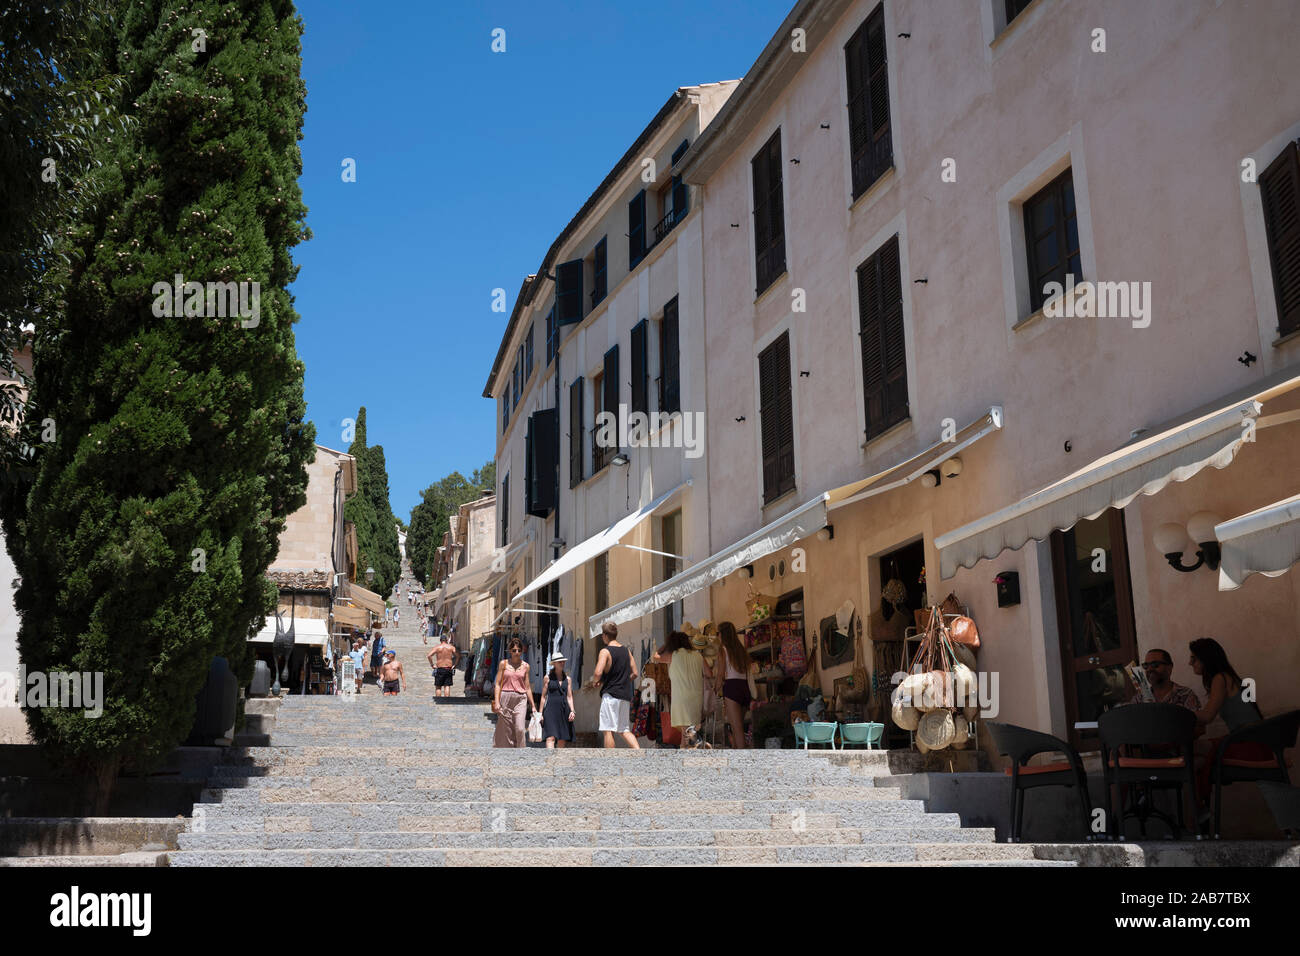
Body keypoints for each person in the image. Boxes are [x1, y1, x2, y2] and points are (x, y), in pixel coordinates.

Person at [1189, 637, 1268, 812]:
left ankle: (1197, 811)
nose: (1190, 663)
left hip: (1249, 746)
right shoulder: (1233, 677)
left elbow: (1208, 716)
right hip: (1258, 744)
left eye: (1193, 658)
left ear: (1206, 658)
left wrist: (1178, 713)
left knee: (1191, 754)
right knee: (1195, 759)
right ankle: (1198, 810)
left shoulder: (1220, 678)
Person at [587, 622, 639, 749]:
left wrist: (595, 682)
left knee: (607, 729)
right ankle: (640, 755)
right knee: (624, 730)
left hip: (611, 696)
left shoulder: (605, 651)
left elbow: (598, 672)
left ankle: (610, 760)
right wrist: (623, 681)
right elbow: (635, 673)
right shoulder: (626, 651)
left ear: (604, 635)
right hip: (624, 695)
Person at [660, 630, 709, 744]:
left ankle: (686, 753)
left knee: (685, 735)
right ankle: (692, 750)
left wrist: (666, 646)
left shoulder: (673, 656)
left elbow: (655, 656)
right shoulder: (698, 655)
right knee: (690, 732)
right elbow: (708, 673)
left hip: (680, 699)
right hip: (696, 698)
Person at [493, 637, 535, 748]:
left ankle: (520, 750)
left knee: (520, 728)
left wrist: (533, 705)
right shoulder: (504, 664)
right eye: (514, 650)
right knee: (506, 728)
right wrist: (497, 702)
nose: (517, 653)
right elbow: (497, 684)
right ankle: (507, 752)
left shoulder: (526, 666)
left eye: (519, 650)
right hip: (505, 697)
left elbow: (527, 687)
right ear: (510, 651)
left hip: (520, 698)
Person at [715, 621, 751, 749]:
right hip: (744, 688)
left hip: (732, 688)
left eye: (717, 633)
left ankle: (741, 761)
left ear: (722, 634)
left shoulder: (722, 650)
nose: (717, 636)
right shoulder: (741, 650)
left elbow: (720, 674)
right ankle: (737, 755)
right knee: (738, 726)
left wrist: (715, 690)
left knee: (737, 729)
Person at [1128, 649, 1201, 710]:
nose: (1149, 669)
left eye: (1155, 665)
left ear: (1169, 667)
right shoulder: (1138, 700)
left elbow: (1198, 726)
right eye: (1146, 666)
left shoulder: (1186, 695)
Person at [539, 651, 576, 749]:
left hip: (564, 710)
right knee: (550, 737)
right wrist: (540, 713)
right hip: (550, 710)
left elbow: (569, 696)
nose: (562, 663)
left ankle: (559, 761)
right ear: (554, 664)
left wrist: (572, 711)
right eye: (560, 662)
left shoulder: (568, 679)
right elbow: (543, 696)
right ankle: (550, 760)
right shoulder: (547, 678)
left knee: (562, 737)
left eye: (563, 661)